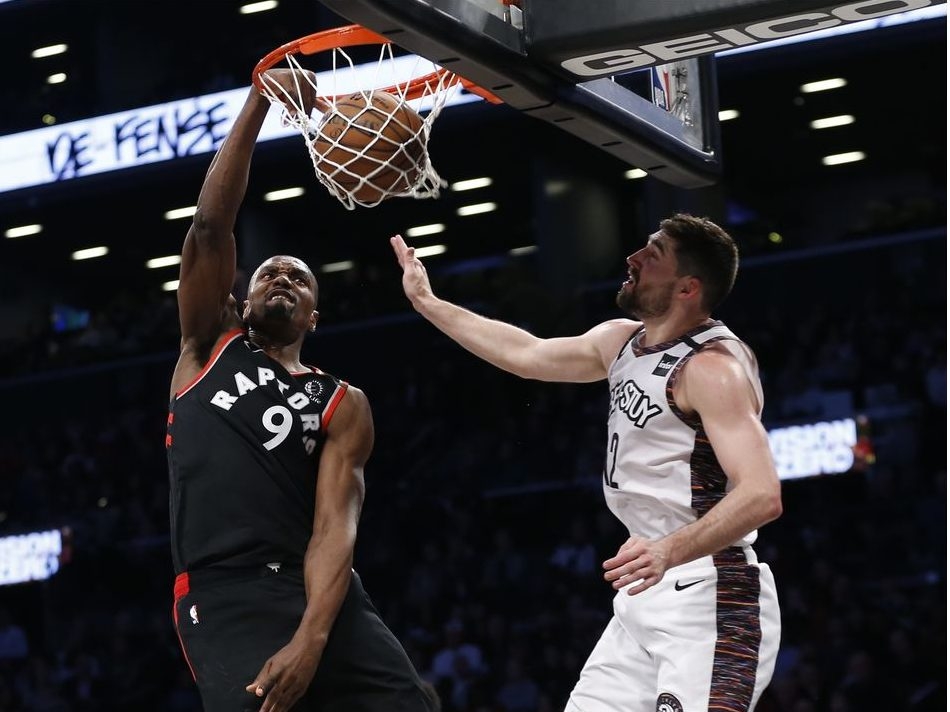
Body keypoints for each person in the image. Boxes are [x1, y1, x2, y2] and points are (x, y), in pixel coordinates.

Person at [390, 214, 783, 712]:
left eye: (653, 253)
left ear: (687, 287)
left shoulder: (711, 368)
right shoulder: (621, 341)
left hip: (712, 594)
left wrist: (669, 550)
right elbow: (526, 354)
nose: (633, 258)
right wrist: (427, 302)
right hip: (647, 592)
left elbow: (761, 494)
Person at [166, 68, 435, 712]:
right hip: (223, 589)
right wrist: (260, 103)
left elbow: (333, 529)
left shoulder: (344, 402)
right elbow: (209, 228)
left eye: (300, 278)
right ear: (242, 300)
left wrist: (312, 639)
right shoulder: (209, 345)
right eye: (267, 274)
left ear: (315, 316)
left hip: (314, 588)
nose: (282, 277)